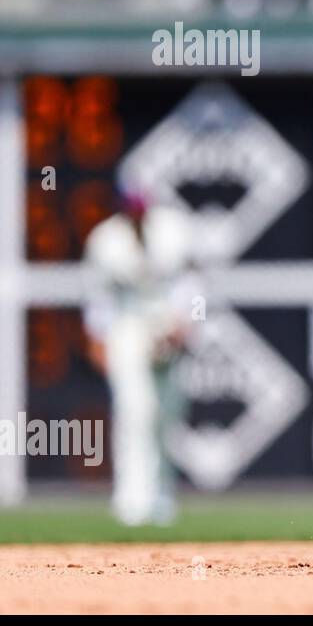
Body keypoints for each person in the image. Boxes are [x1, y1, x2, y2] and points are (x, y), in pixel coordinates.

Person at [83, 187, 196, 526]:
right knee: (134, 408)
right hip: (127, 324)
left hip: (166, 322)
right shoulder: (105, 240)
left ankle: (161, 493)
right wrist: (97, 336)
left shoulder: (175, 229)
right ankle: (131, 498)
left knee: (168, 411)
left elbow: (190, 282)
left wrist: (185, 321)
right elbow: (97, 294)